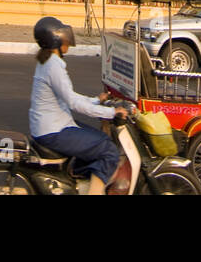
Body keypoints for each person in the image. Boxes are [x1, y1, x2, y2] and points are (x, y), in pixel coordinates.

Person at [29, 16, 129, 195]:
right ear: (56, 40)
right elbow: (74, 103)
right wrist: (112, 112)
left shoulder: (47, 62)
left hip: (51, 126)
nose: (68, 40)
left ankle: (78, 181)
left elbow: (69, 96)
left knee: (98, 138)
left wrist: (95, 100)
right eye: (64, 36)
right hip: (53, 131)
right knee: (109, 150)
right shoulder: (53, 66)